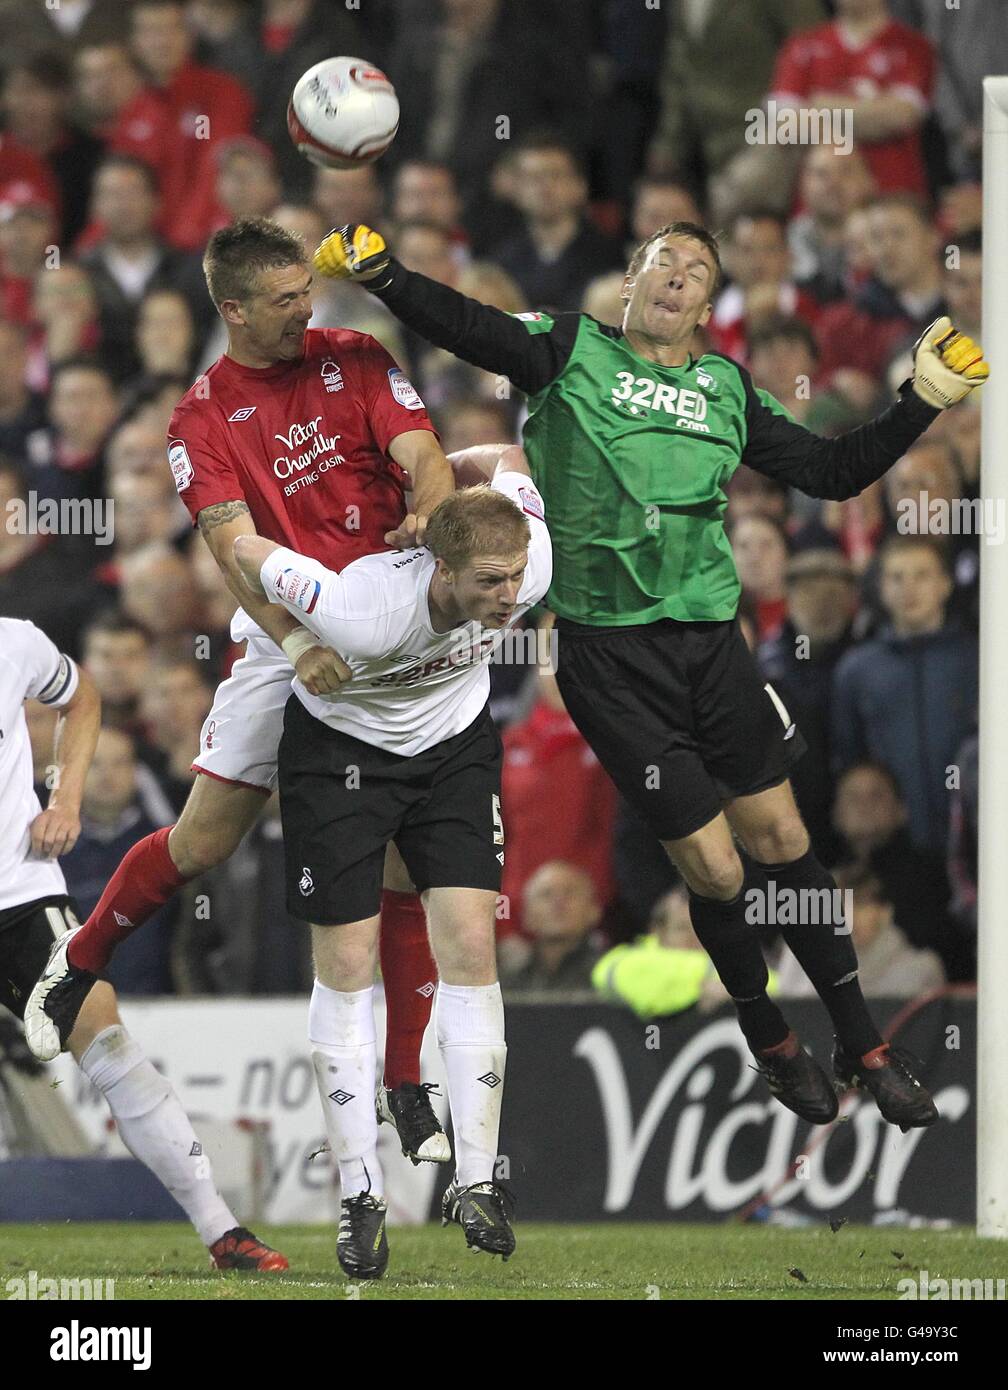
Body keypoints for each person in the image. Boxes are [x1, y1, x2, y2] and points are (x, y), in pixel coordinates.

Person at [313, 214, 987, 1132]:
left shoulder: (725, 388)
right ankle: (768, 1037)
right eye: (660, 261)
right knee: (712, 870)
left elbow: (832, 473)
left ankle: (864, 1045)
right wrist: (387, 275)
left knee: (784, 840)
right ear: (628, 284)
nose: (675, 276)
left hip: (711, 646)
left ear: (710, 305)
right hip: (607, 656)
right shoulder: (566, 348)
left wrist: (920, 399)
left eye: (695, 270)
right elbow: (472, 326)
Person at [25, 217, 457, 1173]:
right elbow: (231, 551)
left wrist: (427, 497)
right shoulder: (200, 421)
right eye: (286, 301)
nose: (308, 311)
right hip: (285, 630)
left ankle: (404, 1083)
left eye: (308, 291)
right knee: (206, 838)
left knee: (406, 865)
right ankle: (80, 962)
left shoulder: (353, 353)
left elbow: (421, 444)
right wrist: (297, 641)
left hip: (391, 614)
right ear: (232, 310)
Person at [230, 443, 552, 1276]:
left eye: (514, 577)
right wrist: (300, 643)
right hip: (340, 757)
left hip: (451, 749)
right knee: (345, 958)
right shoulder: (362, 607)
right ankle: (359, 1195)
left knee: (473, 945)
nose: (509, 596)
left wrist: (440, 469)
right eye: (489, 582)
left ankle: (477, 1183)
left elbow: (509, 452)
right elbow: (246, 550)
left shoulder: (528, 564)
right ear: (440, 570)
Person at [3, 617, 285, 1271]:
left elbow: (81, 693)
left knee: (104, 1034)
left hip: (16, 891)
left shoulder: (12, 642)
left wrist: (65, 797)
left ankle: (221, 1230)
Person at [504, 862, 603, 994]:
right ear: (526, 916)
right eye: (546, 894)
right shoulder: (508, 980)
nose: (558, 902)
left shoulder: (608, 975)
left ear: (594, 911)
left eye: (570, 892)